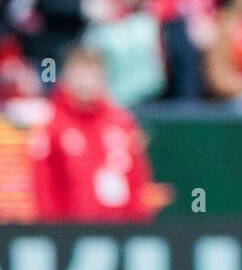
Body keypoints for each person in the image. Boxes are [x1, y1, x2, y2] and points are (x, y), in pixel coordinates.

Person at [28, 44, 157, 221]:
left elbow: (138, 180)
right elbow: (44, 184)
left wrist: (139, 223)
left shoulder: (122, 122)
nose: (87, 83)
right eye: (81, 75)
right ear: (67, 77)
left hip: (120, 229)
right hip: (70, 232)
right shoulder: (52, 123)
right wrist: (53, 230)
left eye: (93, 75)